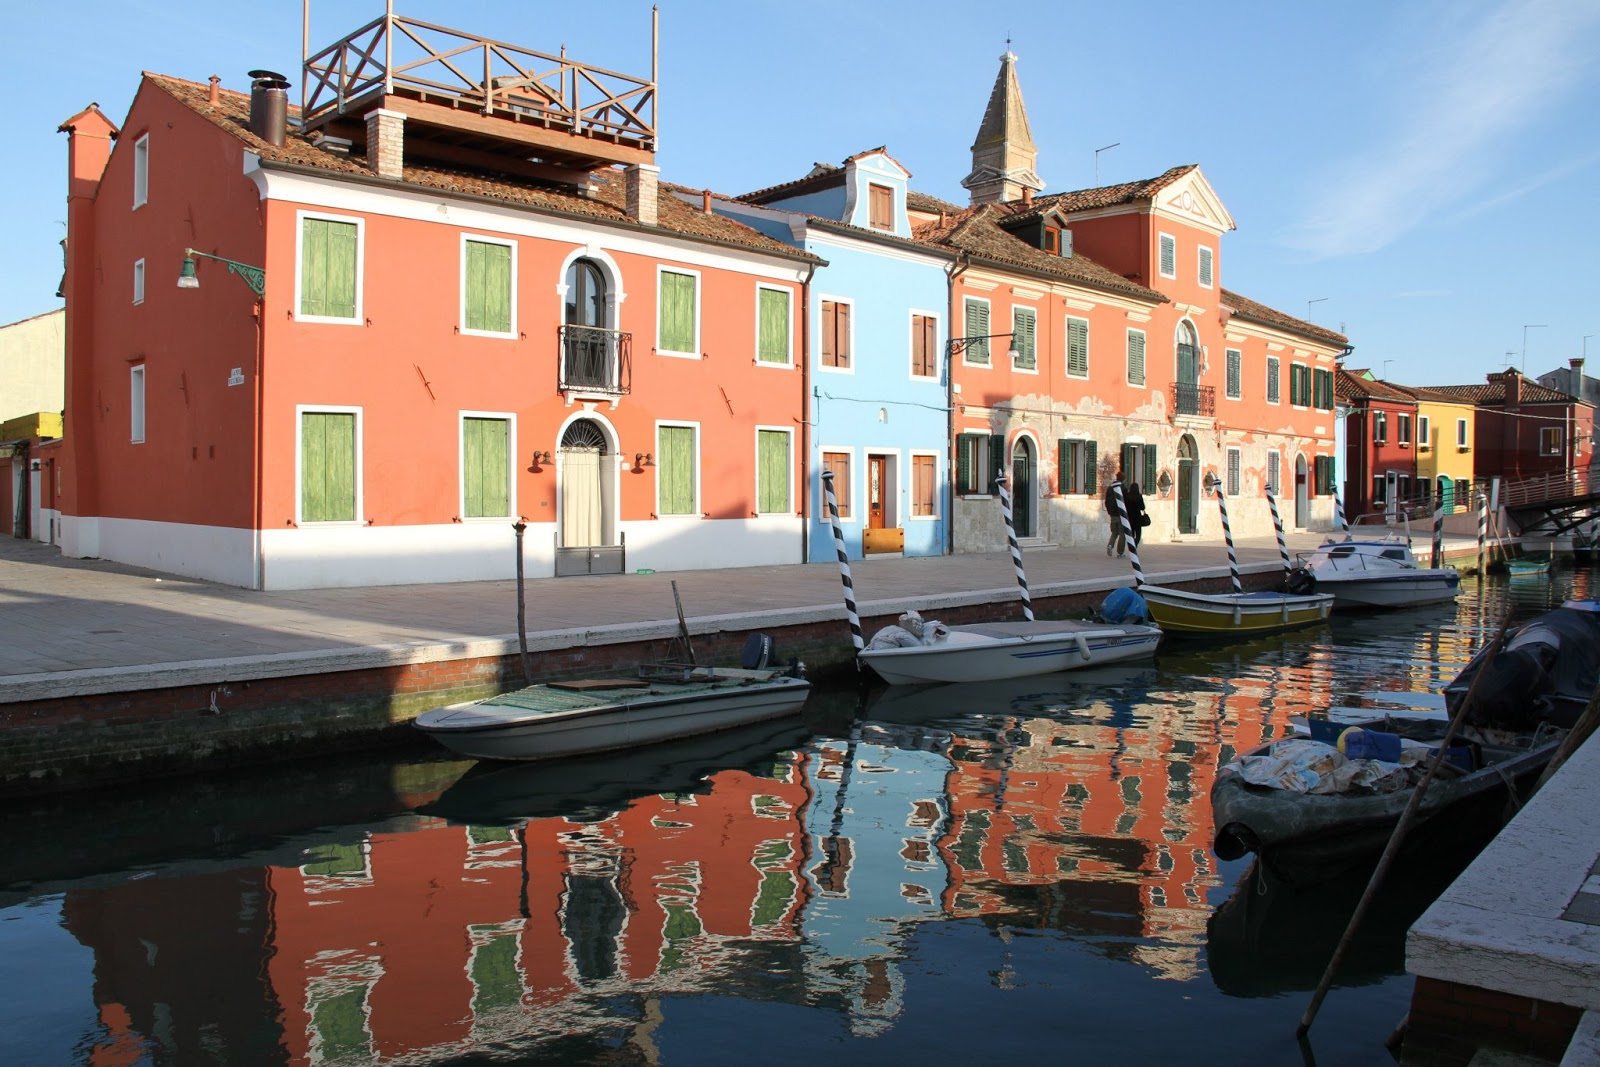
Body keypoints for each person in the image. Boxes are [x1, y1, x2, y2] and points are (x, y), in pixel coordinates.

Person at [1104, 470, 1127, 558]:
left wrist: (1109, 511)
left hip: (1112, 514)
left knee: (1114, 532)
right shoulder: (1123, 489)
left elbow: (1106, 501)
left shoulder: (1110, 488)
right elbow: (1126, 502)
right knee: (1122, 533)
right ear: (1123, 480)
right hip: (1121, 514)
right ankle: (1120, 552)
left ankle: (1110, 545)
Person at [1126, 479, 1149, 547]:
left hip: (1130, 517)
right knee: (1138, 534)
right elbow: (1142, 507)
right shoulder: (1139, 496)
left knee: (1132, 533)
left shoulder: (1127, 496)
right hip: (1138, 517)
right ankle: (1135, 544)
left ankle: (1132, 545)